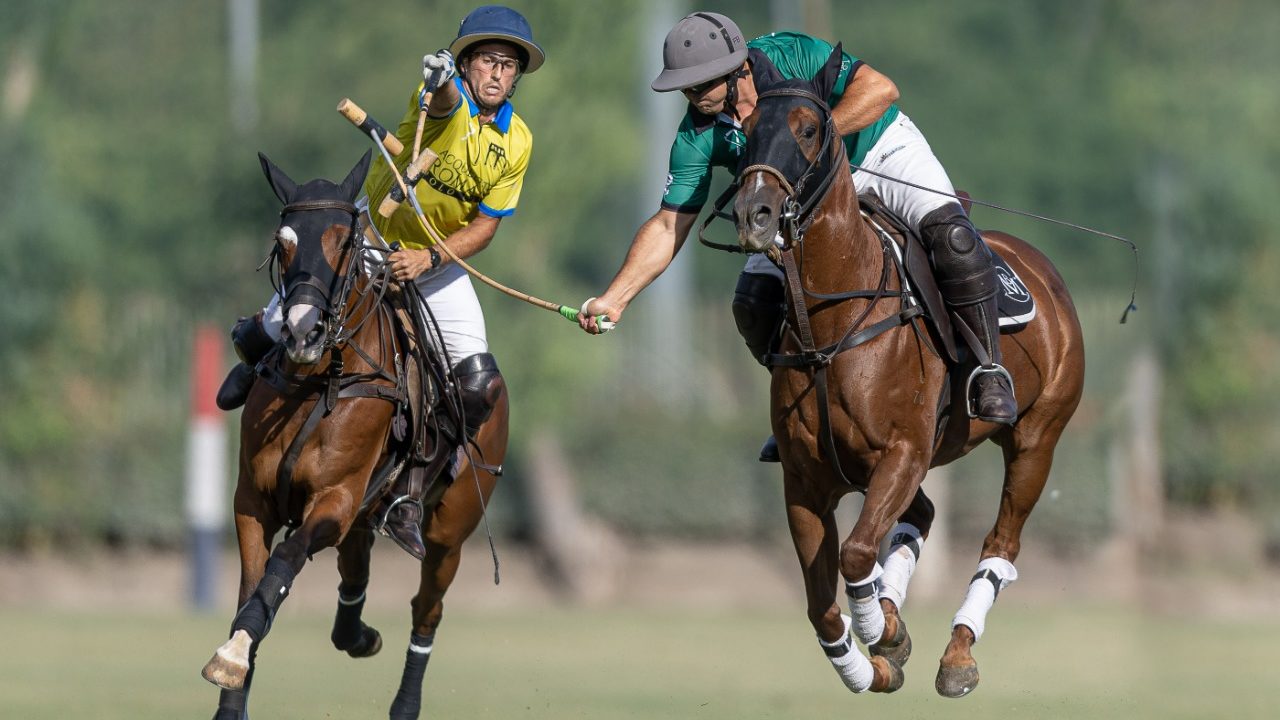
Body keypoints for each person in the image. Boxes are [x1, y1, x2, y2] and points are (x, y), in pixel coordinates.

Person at [577, 12, 1017, 462]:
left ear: (737, 69)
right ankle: (800, 405)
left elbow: (881, 90)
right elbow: (671, 223)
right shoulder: (697, 134)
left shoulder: (790, 53)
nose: (693, 97)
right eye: (685, 88)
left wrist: (820, 138)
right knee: (752, 301)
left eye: (701, 85)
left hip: (880, 154)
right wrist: (616, 297)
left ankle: (988, 369)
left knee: (955, 241)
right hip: (804, 198)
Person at [215, 5, 542, 559]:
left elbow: (486, 225)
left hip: (438, 264)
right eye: (487, 61)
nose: (498, 74)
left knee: (479, 384)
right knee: (284, 322)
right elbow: (440, 103)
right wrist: (437, 80)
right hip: (372, 239)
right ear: (465, 64)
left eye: (509, 66)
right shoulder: (442, 99)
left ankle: (408, 496)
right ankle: (254, 357)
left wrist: (431, 260)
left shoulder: (518, 142)